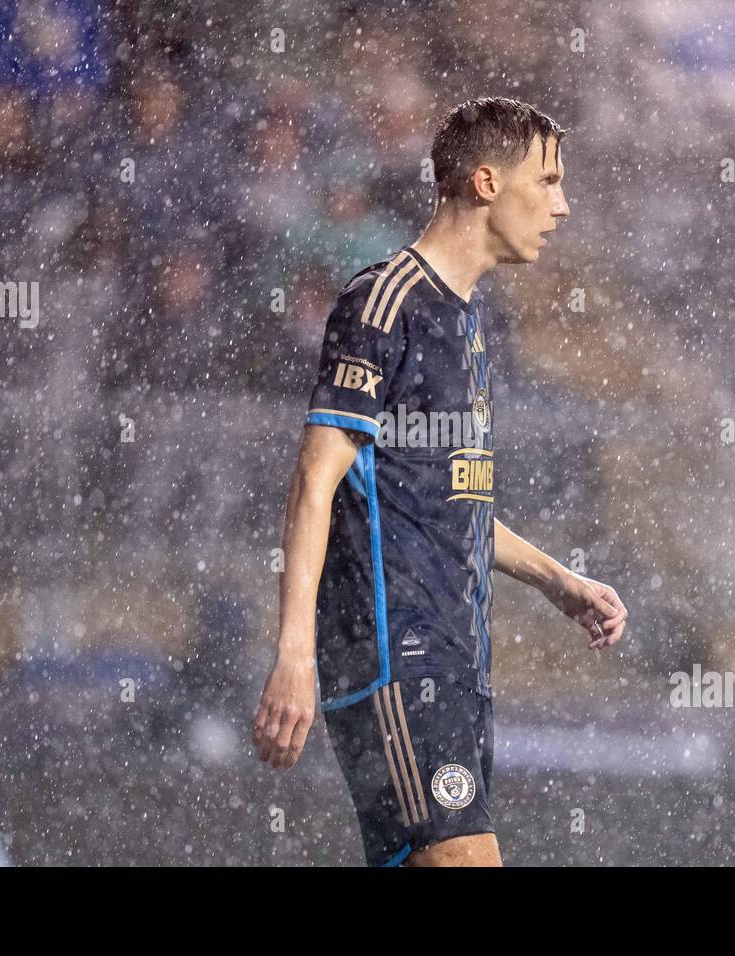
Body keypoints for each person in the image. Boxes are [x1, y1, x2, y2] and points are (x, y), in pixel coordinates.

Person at [252, 98, 628, 867]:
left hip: (456, 669)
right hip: (396, 659)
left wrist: (558, 580)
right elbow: (313, 483)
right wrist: (295, 654)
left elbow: (439, 501)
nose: (563, 204)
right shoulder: (382, 301)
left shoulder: (468, 320)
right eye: (548, 181)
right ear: (487, 182)